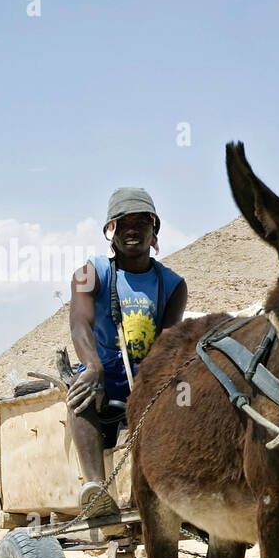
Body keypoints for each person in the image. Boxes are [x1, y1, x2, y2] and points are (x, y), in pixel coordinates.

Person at [66, 187, 187, 515]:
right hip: (104, 370)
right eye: (123, 222)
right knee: (81, 397)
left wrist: (157, 381)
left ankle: (159, 488)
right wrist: (91, 366)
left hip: (148, 373)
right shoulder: (92, 273)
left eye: (141, 222)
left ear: (154, 229)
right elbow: (80, 323)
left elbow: (168, 342)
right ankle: (96, 490)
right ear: (111, 231)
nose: (132, 229)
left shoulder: (173, 285)